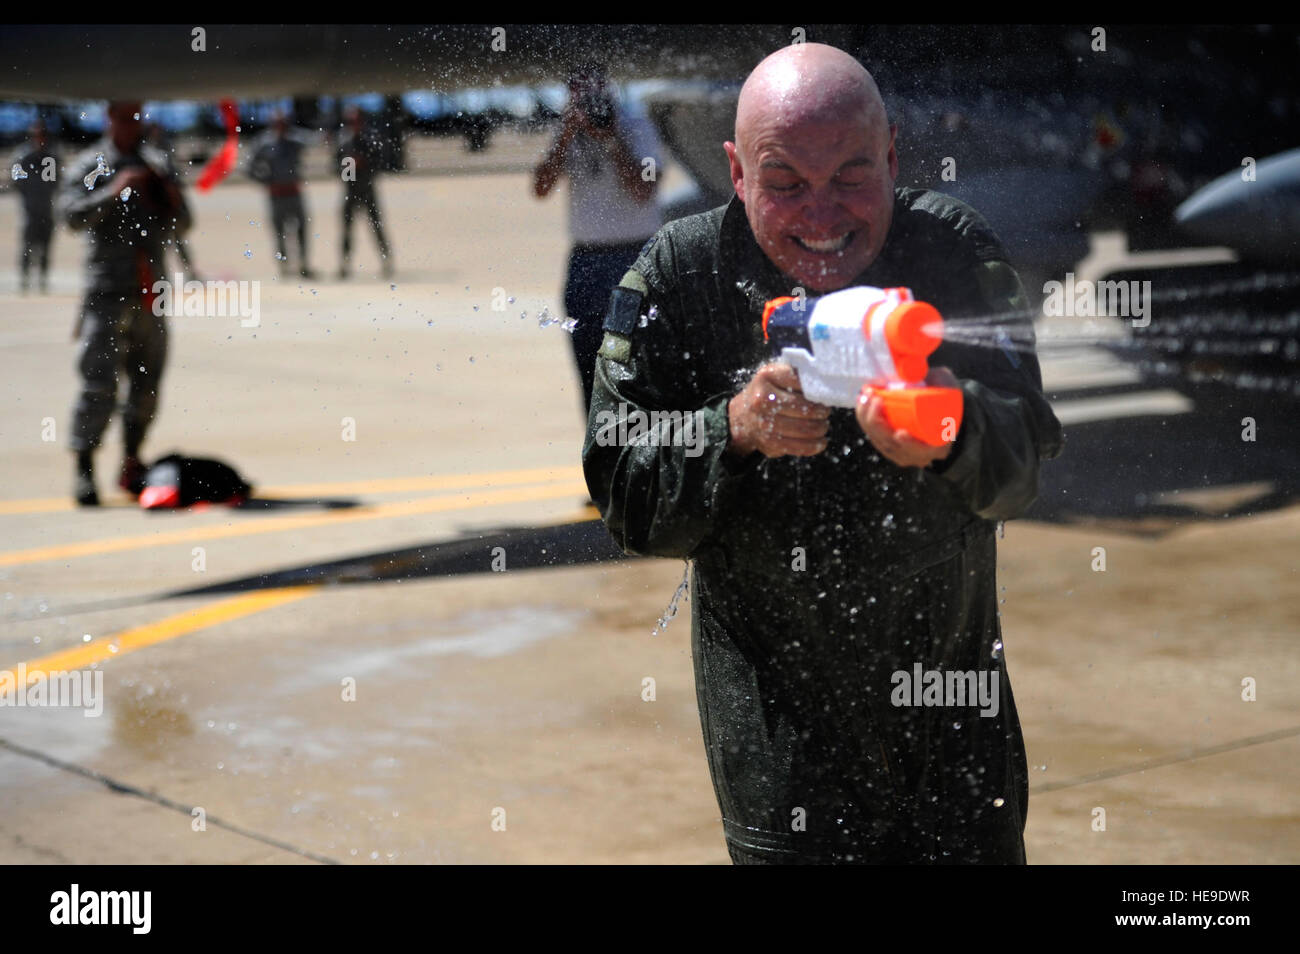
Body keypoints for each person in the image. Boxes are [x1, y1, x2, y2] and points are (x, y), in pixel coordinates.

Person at [582, 44, 1063, 864]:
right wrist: (732, 430)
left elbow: (1025, 465)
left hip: (956, 763)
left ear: (892, 158)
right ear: (737, 173)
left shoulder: (948, 250)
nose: (822, 214)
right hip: (784, 782)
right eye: (785, 183)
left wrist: (954, 426)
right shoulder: (681, 274)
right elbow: (624, 496)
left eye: (850, 175)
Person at [60, 101, 192, 506]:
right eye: (124, 117)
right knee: (99, 383)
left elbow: (184, 224)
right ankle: (84, 465)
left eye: (136, 117)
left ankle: (132, 460)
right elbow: (70, 217)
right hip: (107, 291)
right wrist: (112, 192)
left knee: (146, 385)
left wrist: (169, 195)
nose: (132, 125)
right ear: (110, 118)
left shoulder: (156, 164)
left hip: (150, 291)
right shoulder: (92, 165)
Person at [533, 63, 663, 417]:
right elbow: (540, 188)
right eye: (578, 92)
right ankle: (600, 440)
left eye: (593, 91)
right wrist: (565, 135)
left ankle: (645, 439)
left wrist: (611, 139)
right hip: (587, 260)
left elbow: (644, 190)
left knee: (640, 364)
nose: (588, 101)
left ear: (608, 88)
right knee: (590, 367)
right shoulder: (567, 131)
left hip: (634, 257)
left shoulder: (635, 125)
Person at [249, 112, 313, 279]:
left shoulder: (295, 141)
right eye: (278, 124)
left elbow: (312, 139)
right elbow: (251, 168)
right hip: (276, 194)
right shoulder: (264, 143)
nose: (281, 127)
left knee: (301, 229)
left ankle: (303, 264)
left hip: (294, 192)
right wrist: (265, 181)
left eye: (284, 124)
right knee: (279, 232)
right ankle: (284, 266)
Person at [336, 106, 393, 280]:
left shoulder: (370, 140)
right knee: (347, 229)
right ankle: (344, 264)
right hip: (351, 190)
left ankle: (386, 261)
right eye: (350, 122)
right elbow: (339, 168)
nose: (353, 125)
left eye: (356, 121)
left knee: (376, 227)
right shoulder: (344, 141)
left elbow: (380, 163)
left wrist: (364, 163)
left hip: (367, 189)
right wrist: (350, 166)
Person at [9, 119, 58, 294]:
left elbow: (57, 181)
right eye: (36, 135)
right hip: (29, 210)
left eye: (42, 135)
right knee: (27, 246)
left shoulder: (52, 156)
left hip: (47, 208)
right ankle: (24, 281)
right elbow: (15, 181)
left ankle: (42, 282)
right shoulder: (23, 156)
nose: (39, 139)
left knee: (45, 246)